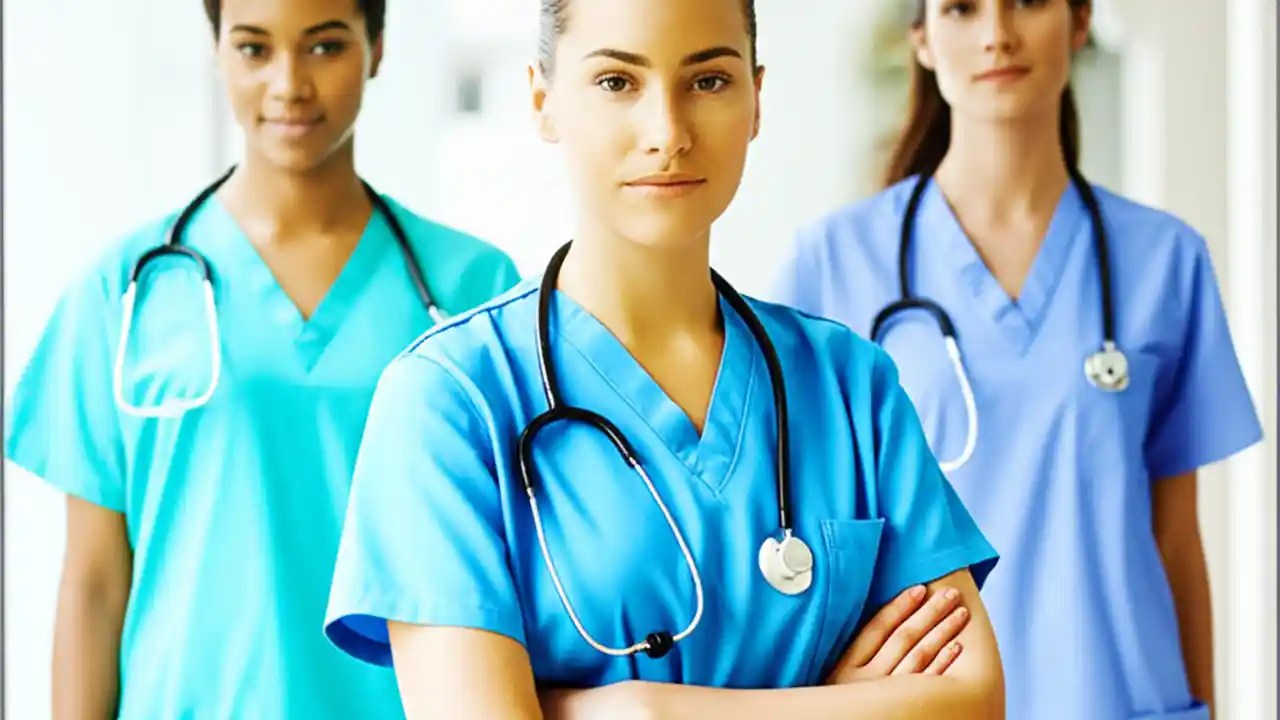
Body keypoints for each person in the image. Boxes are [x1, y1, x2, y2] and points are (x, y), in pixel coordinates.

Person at [321, 0, 1006, 717]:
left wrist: (637, 709)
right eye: (617, 82)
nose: (668, 133)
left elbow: (973, 699)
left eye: (708, 81)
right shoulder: (450, 400)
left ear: (756, 98)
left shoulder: (850, 384)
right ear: (543, 101)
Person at [3, 0, 522, 717]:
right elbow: (94, 583)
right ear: (217, 51)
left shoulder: (474, 289)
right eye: (254, 49)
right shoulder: (123, 289)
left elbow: (504, 574)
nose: (289, 85)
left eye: (324, 47)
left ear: (376, 48)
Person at [769, 1, 1264, 718]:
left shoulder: (1165, 260)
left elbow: (1176, 539)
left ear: (1081, 21)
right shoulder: (832, 265)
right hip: (934, 704)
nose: (997, 34)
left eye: (1028, 1)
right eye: (962, 9)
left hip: (1121, 698)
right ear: (922, 38)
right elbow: (805, 541)